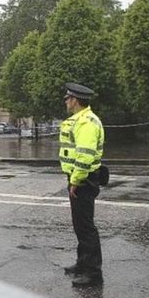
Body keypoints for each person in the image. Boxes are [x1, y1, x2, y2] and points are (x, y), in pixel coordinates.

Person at [59, 83, 105, 287]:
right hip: (79, 177)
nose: (66, 102)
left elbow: (84, 156)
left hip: (83, 179)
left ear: (75, 100)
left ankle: (93, 273)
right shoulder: (80, 119)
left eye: (67, 99)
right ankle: (82, 263)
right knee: (80, 224)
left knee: (86, 227)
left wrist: (75, 181)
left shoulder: (86, 122)